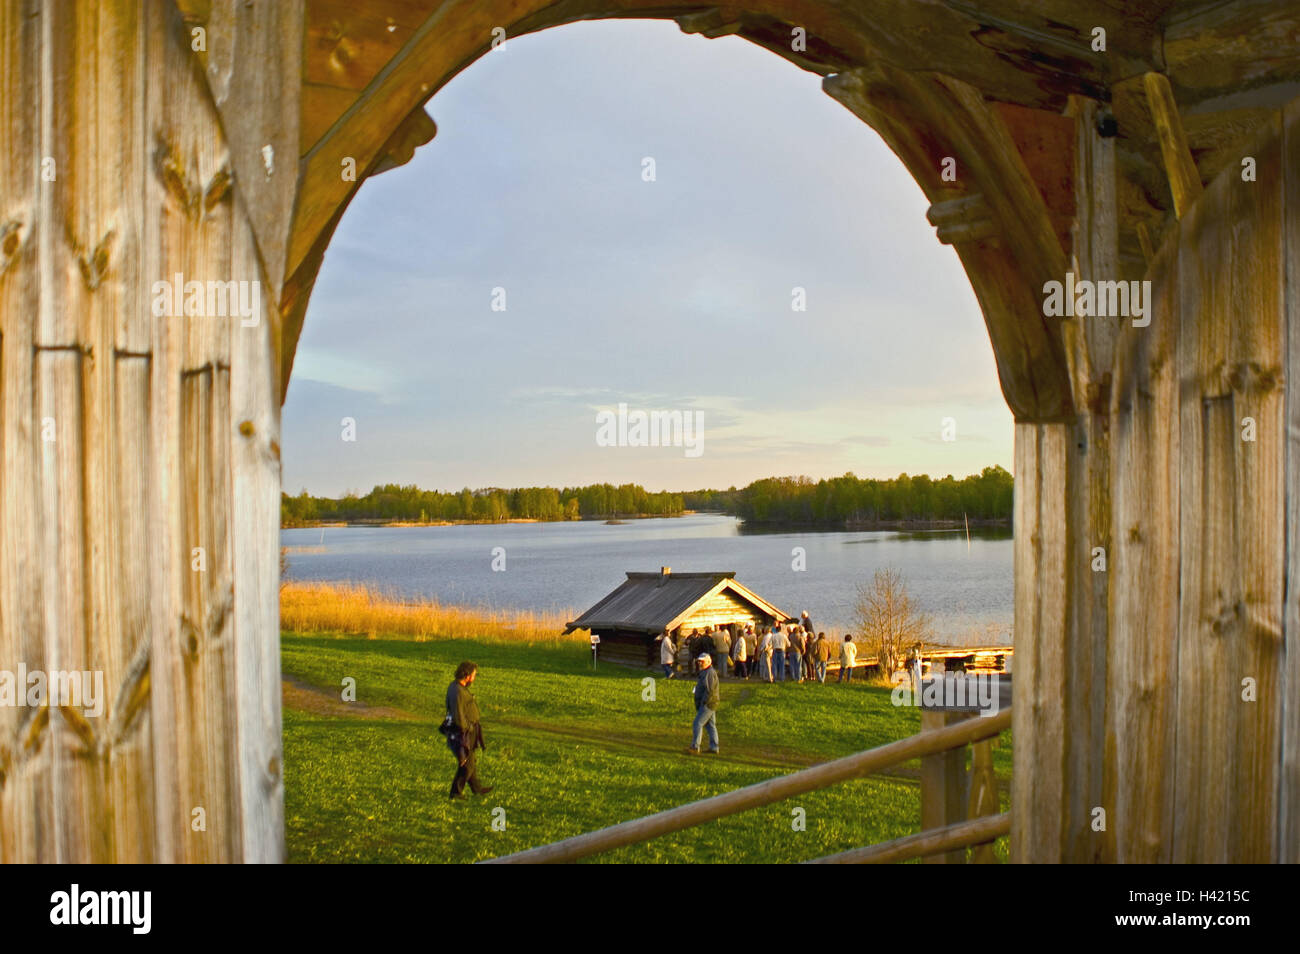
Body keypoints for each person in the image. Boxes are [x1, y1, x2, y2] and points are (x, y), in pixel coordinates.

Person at [443, 661, 493, 800]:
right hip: (463, 733)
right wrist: (467, 729)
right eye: (473, 675)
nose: (474, 678)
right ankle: (456, 792)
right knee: (467, 764)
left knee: (470, 761)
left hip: (467, 730)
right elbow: (458, 715)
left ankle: (477, 789)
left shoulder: (457, 687)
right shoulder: (458, 691)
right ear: (467, 675)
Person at [686, 654, 720, 754]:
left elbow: (710, 690)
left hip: (708, 703)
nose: (700, 663)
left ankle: (695, 747)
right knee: (710, 725)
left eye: (702, 661)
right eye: (699, 661)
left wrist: (704, 702)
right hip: (710, 702)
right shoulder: (705, 672)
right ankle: (714, 747)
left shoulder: (709, 673)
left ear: (708, 662)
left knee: (697, 723)